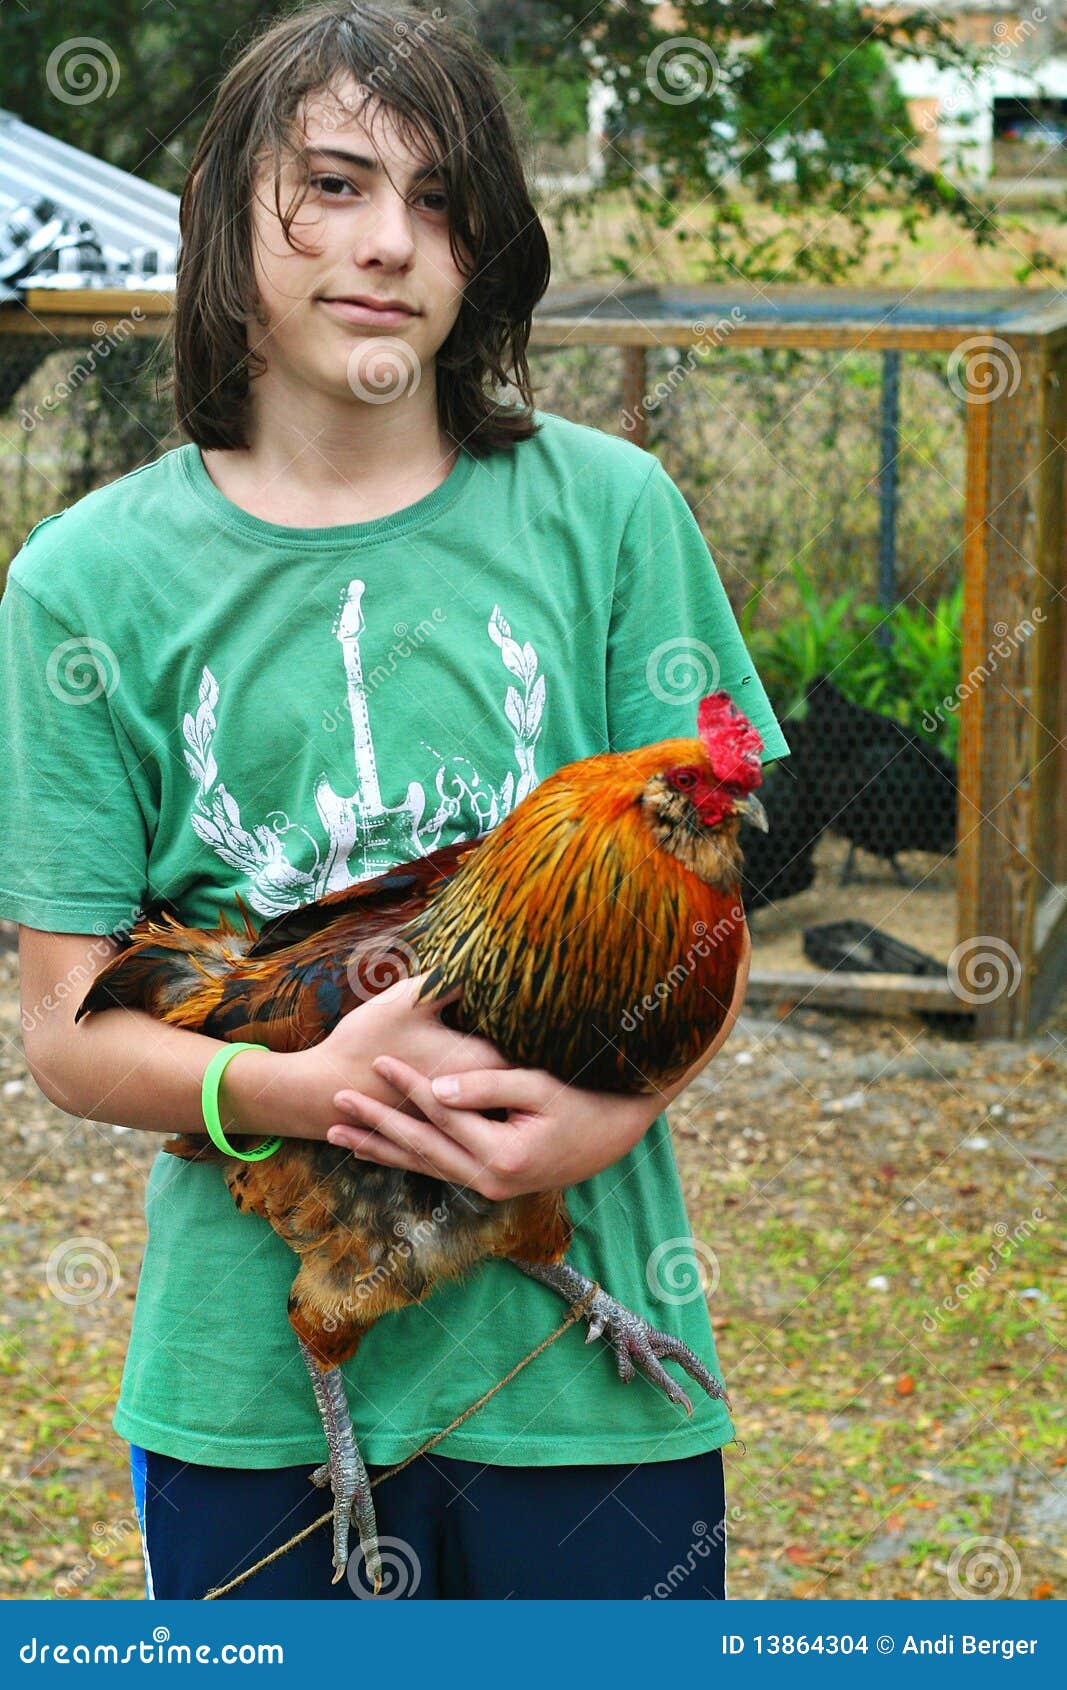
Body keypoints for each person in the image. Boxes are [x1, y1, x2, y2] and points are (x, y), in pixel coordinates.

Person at [0, 0, 788, 1600]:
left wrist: (608, 1114)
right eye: (335, 184)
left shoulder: (608, 513)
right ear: (222, 211)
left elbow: (707, 905)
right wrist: (303, 1090)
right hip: (254, 1395)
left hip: (585, 1400)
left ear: (483, 249)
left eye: (439, 201)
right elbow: (69, 1033)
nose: (388, 243)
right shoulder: (82, 586)